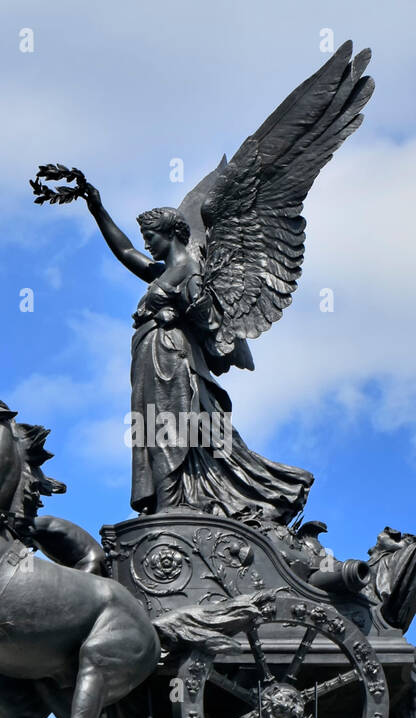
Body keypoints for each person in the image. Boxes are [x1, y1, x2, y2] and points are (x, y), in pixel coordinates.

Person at [83, 184, 313, 523]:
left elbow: (210, 323)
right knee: (151, 428)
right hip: (152, 358)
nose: (146, 242)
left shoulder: (190, 270)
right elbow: (126, 252)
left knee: (168, 428)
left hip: (172, 359)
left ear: (172, 234)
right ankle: (168, 504)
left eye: (151, 235)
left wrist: (176, 313)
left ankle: (172, 506)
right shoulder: (165, 271)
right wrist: (97, 209)